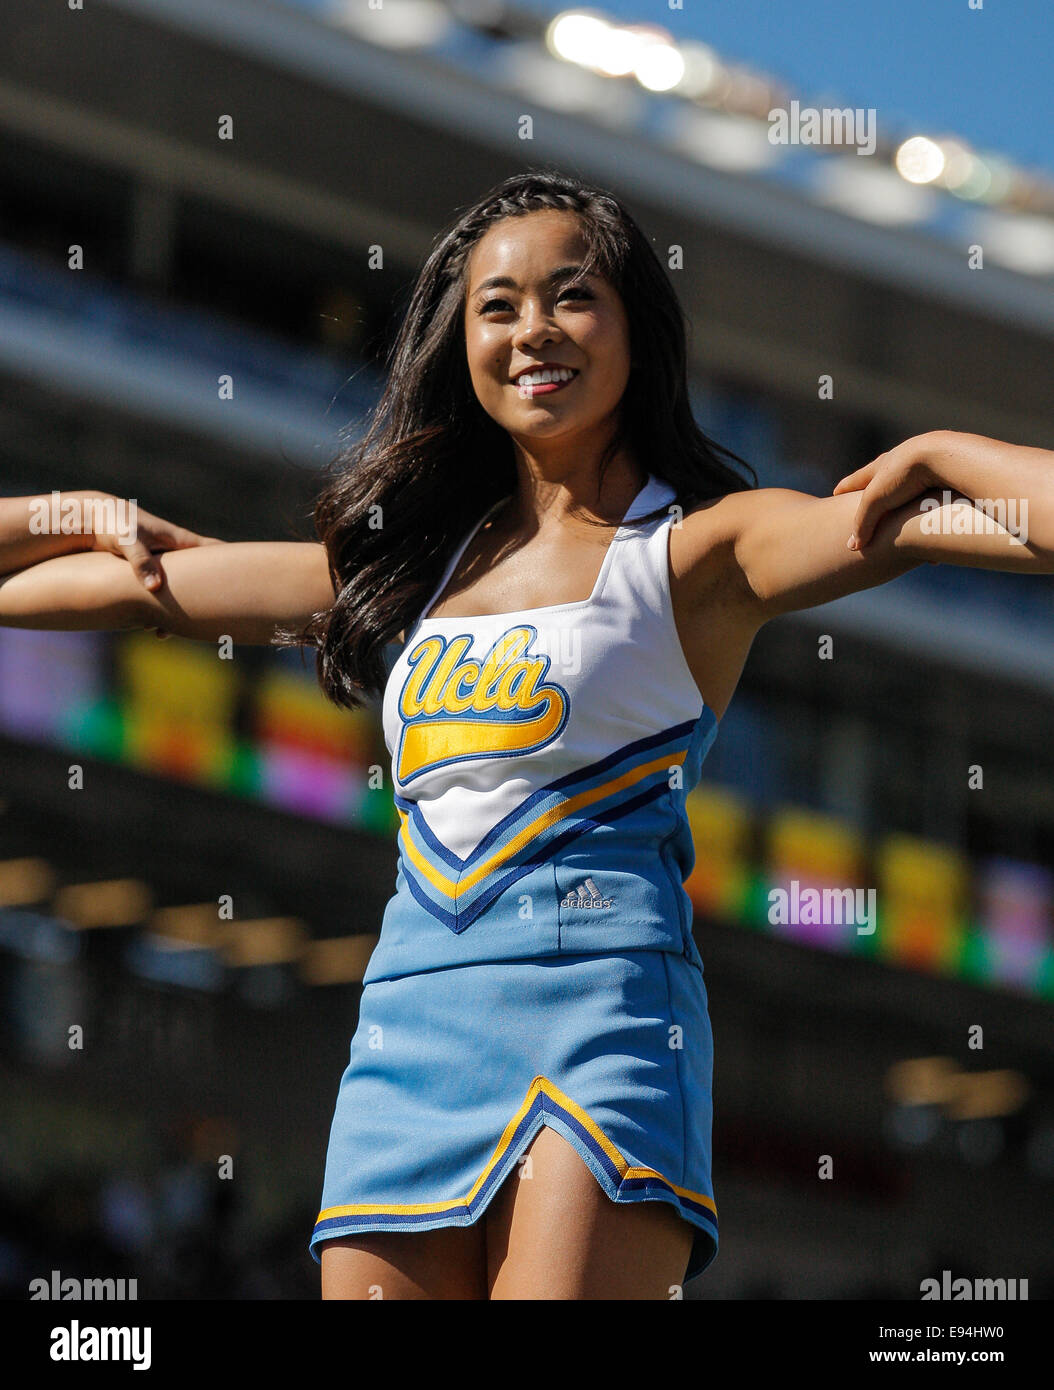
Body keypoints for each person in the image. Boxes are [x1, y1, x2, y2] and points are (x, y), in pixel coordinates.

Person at [1, 171, 1051, 1301]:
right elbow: (83, 591)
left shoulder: (702, 554)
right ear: (461, 346)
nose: (531, 330)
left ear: (636, 331)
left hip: (602, 1024)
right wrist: (60, 513)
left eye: (570, 297)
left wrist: (941, 447)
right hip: (409, 1038)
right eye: (496, 307)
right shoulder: (400, 585)